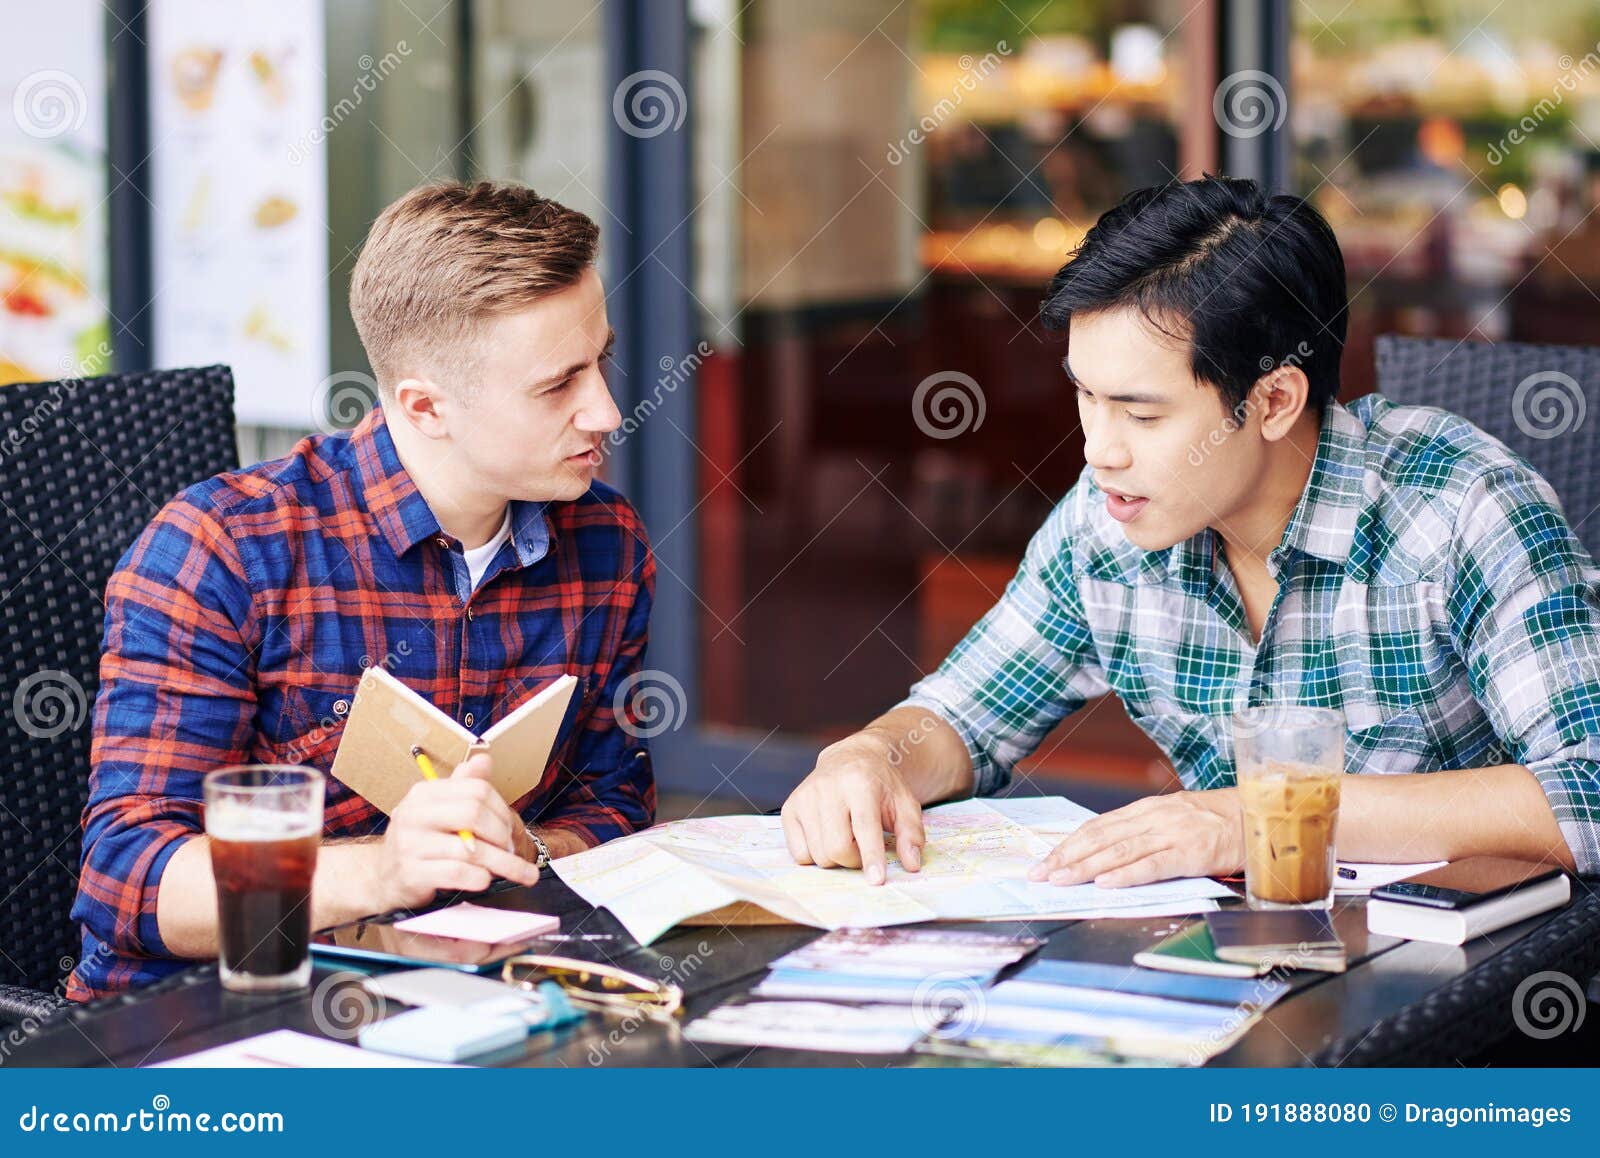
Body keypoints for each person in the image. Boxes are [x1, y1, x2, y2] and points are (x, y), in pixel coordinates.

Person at [781, 174, 1600, 888]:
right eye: (1086, 397)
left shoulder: (1462, 509)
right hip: (1229, 973)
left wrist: (1259, 818)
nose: (1100, 450)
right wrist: (872, 756)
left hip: (1456, 992)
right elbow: (961, 718)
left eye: (1140, 412)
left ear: (1273, 400)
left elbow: (1589, 791)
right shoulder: (1105, 522)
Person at [69, 182, 655, 999]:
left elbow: (617, 808)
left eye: (603, 361)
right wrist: (383, 872)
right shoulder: (224, 550)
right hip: (217, 1018)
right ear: (425, 406)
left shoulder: (605, 542)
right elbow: (127, 879)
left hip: (468, 997)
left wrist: (525, 852)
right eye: (559, 385)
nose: (607, 410)